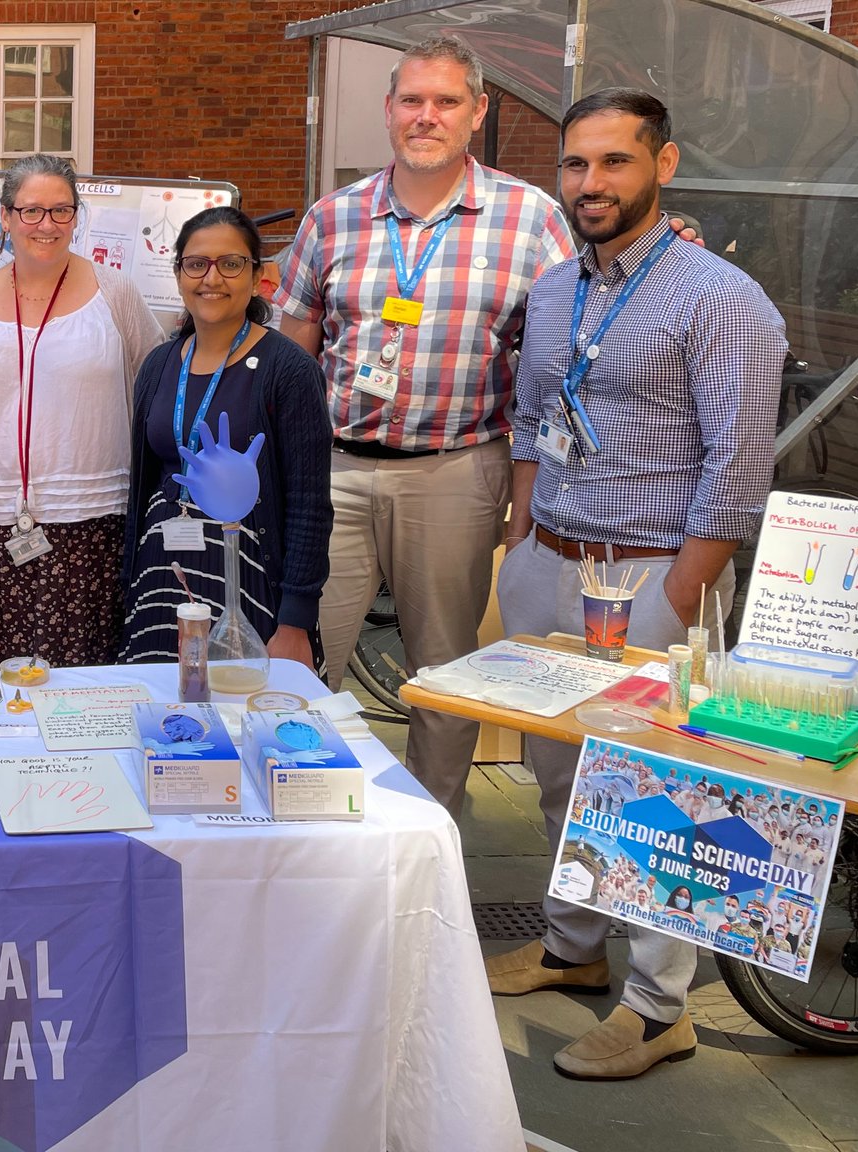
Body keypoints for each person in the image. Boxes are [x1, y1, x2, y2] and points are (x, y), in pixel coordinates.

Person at [483, 88, 786, 1081]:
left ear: (661, 165)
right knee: (563, 775)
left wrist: (684, 592)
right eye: (574, 165)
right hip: (550, 565)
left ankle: (659, 1007)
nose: (588, 183)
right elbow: (532, 421)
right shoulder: (553, 290)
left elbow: (736, 469)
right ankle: (571, 949)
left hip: (656, 575)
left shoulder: (716, 296)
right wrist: (523, 539)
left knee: (662, 794)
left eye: (613, 162)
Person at [272, 37, 576, 816]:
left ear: (477, 112)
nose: (426, 116)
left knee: (444, 673)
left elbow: (561, 358)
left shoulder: (532, 221)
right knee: (301, 658)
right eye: (412, 100)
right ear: (388, 111)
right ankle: (306, 823)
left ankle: (432, 830)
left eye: (446, 101)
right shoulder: (333, 217)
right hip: (333, 473)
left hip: (457, 471)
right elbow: (290, 357)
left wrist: (525, 497)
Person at [0, 153, 165, 673]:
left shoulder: (116, 295)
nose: (47, 225)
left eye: (61, 211)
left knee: (79, 699)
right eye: (31, 211)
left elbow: (156, 399)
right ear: (5, 217)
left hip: (89, 532)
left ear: (76, 218)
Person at [121, 207, 333, 666]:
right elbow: (144, 483)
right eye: (196, 264)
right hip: (165, 574)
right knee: (164, 717)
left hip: (250, 578)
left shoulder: (289, 370)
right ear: (178, 275)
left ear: (257, 276)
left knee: (247, 716)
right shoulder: (159, 365)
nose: (211, 278)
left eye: (231, 263)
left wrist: (296, 619)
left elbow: (309, 503)